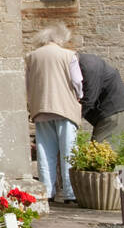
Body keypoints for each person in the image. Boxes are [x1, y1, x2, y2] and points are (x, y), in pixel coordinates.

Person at [25, 23, 83, 203]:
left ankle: (47, 191)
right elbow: (77, 81)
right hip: (64, 107)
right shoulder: (69, 55)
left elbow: (28, 84)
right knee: (69, 151)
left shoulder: (31, 56)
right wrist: (79, 96)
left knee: (44, 151)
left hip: (41, 107)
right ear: (60, 39)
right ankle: (70, 193)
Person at [78, 52, 124, 146]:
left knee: (100, 152)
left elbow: (88, 99)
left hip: (113, 111)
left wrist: (73, 119)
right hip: (106, 112)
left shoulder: (89, 66)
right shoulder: (81, 63)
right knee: (99, 151)